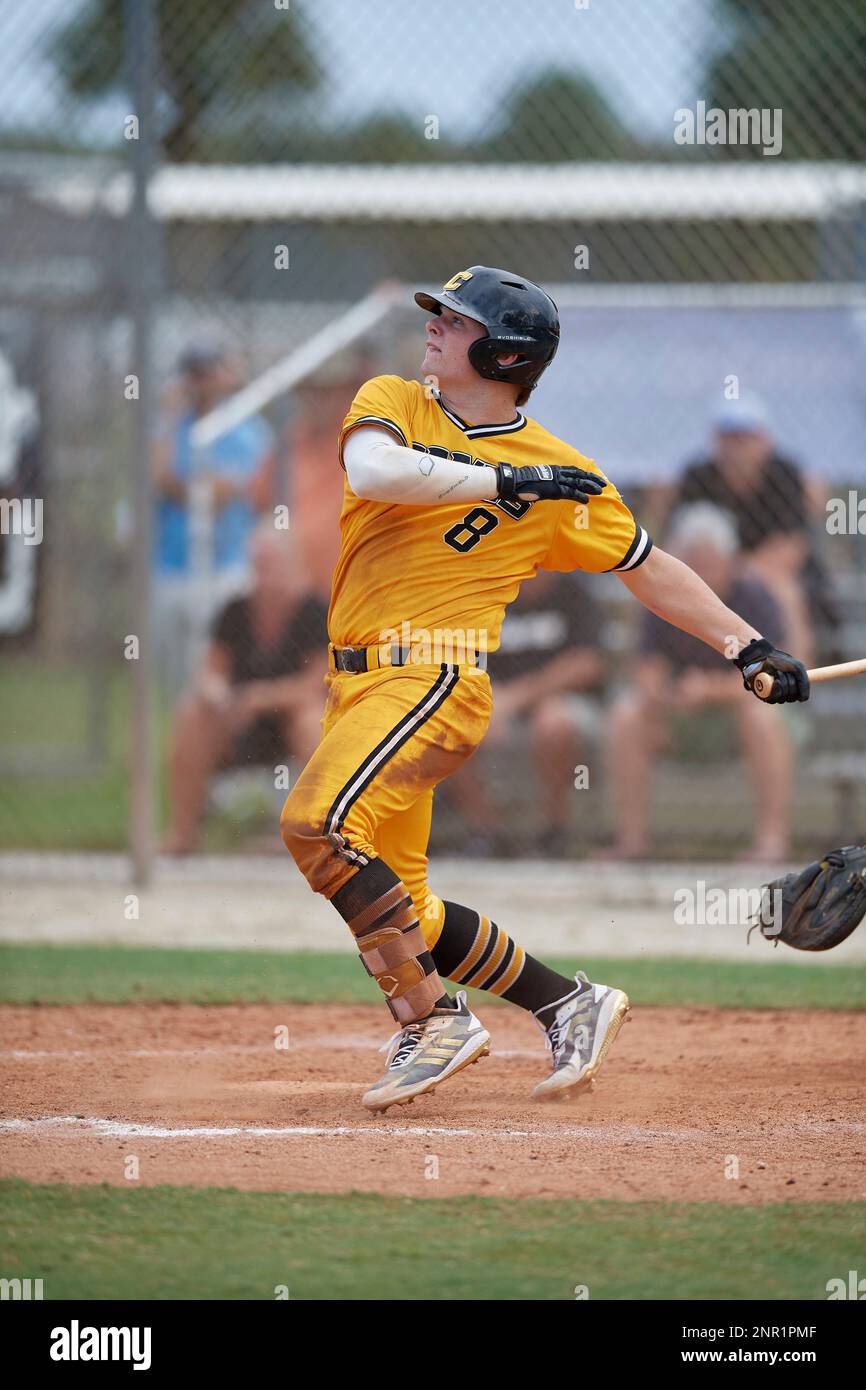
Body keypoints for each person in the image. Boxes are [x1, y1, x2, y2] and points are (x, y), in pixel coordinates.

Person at [278, 265, 810, 1114]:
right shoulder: (395, 399)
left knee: (315, 822)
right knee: (405, 903)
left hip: (434, 675)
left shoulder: (561, 470)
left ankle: (431, 1021)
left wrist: (744, 644)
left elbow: (649, 566)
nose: (436, 326)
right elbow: (376, 472)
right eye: (442, 315)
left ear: (504, 351)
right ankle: (569, 1003)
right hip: (360, 686)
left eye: (456, 321)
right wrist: (503, 484)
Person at [606, 504, 793, 861]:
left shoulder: (753, 596)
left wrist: (711, 690)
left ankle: (772, 841)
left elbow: (776, 677)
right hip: (680, 715)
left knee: (762, 718)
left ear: (730, 562)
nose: (700, 573)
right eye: (691, 562)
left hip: (739, 715)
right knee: (627, 714)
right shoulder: (664, 594)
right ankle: (632, 841)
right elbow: (647, 669)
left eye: (709, 562)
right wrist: (662, 692)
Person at [161, 526, 327, 855]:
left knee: (312, 721)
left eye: (273, 564)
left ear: (293, 565)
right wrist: (216, 693)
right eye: (259, 564)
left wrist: (261, 698)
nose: (264, 573)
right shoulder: (236, 611)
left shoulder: (314, 611)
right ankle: (182, 833)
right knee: (193, 716)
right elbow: (212, 670)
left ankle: (312, 837)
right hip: (239, 720)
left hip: (289, 720)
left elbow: (319, 685)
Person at [446, 568, 606, 857]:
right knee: (449, 727)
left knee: (553, 723)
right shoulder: (490, 595)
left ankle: (555, 832)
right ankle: (487, 834)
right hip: (498, 700)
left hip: (562, 702)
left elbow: (588, 664)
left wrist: (520, 697)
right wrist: (489, 703)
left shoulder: (573, 593)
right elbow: (463, 662)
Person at [673, 392, 838, 667]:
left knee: (785, 591)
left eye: (745, 436)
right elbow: (677, 543)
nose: (737, 447)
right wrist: (714, 570)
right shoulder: (699, 475)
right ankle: (671, 672)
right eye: (729, 437)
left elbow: (790, 550)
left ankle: (796, 673)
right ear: (715, 441)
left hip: (768, 570)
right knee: (667, 585)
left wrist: (733, 569)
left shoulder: (783, 473)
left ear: (765, 440)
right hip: (707, 569)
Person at [152, 342, 275, 689]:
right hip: (171, 567)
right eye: (193, 375)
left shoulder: (246, 428)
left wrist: (180, 486)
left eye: (207, 374)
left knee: (218, 676)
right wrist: (170, 417)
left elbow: (216, 496)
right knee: (176, 683)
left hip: (227, 569)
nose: (199, 383)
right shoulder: (171, 426)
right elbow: (159, 478)